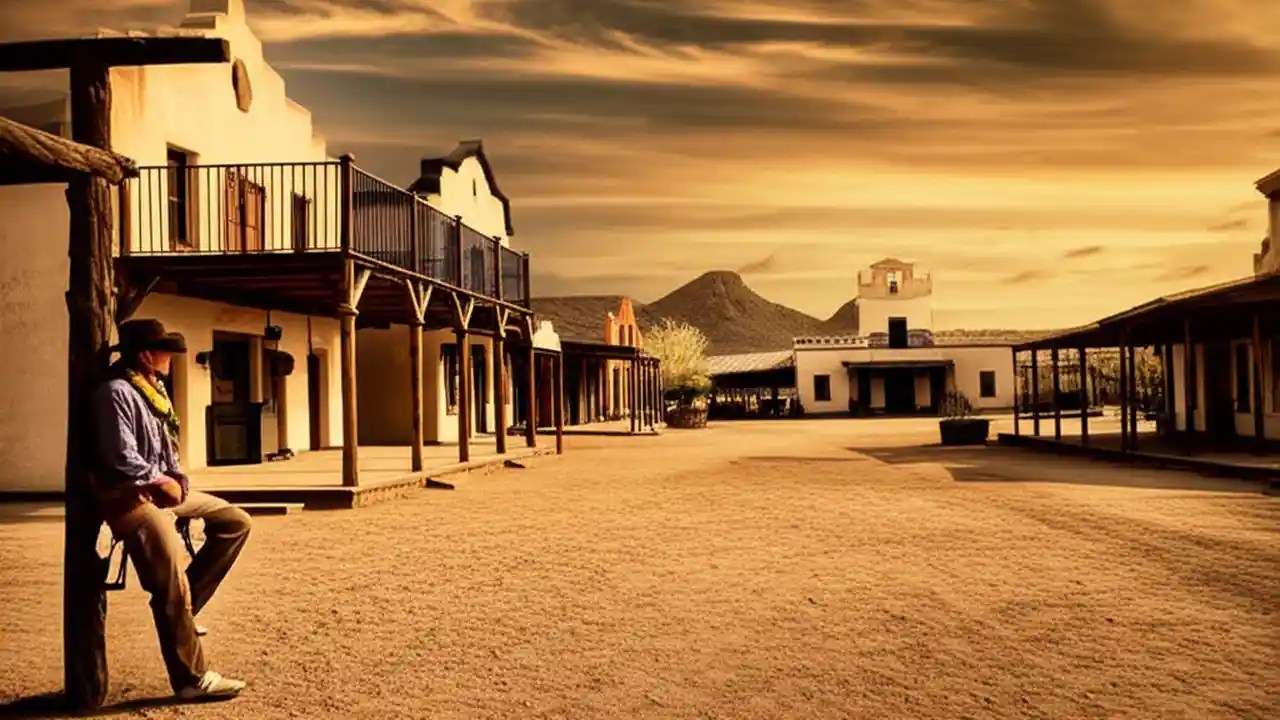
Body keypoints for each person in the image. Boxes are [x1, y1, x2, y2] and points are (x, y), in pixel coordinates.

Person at [92, 318, 251, 700]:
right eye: (166, 352)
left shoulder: (154, 390)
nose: (172, 359)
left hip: (160, 491)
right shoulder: (116, 393)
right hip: (128, 498)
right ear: (147, 356)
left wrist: (177, 479)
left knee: (234, 522)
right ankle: (190, 678)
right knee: (169, 578)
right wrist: (157, 482)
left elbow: (167, 449)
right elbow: (121, 457)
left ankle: (184, 614)